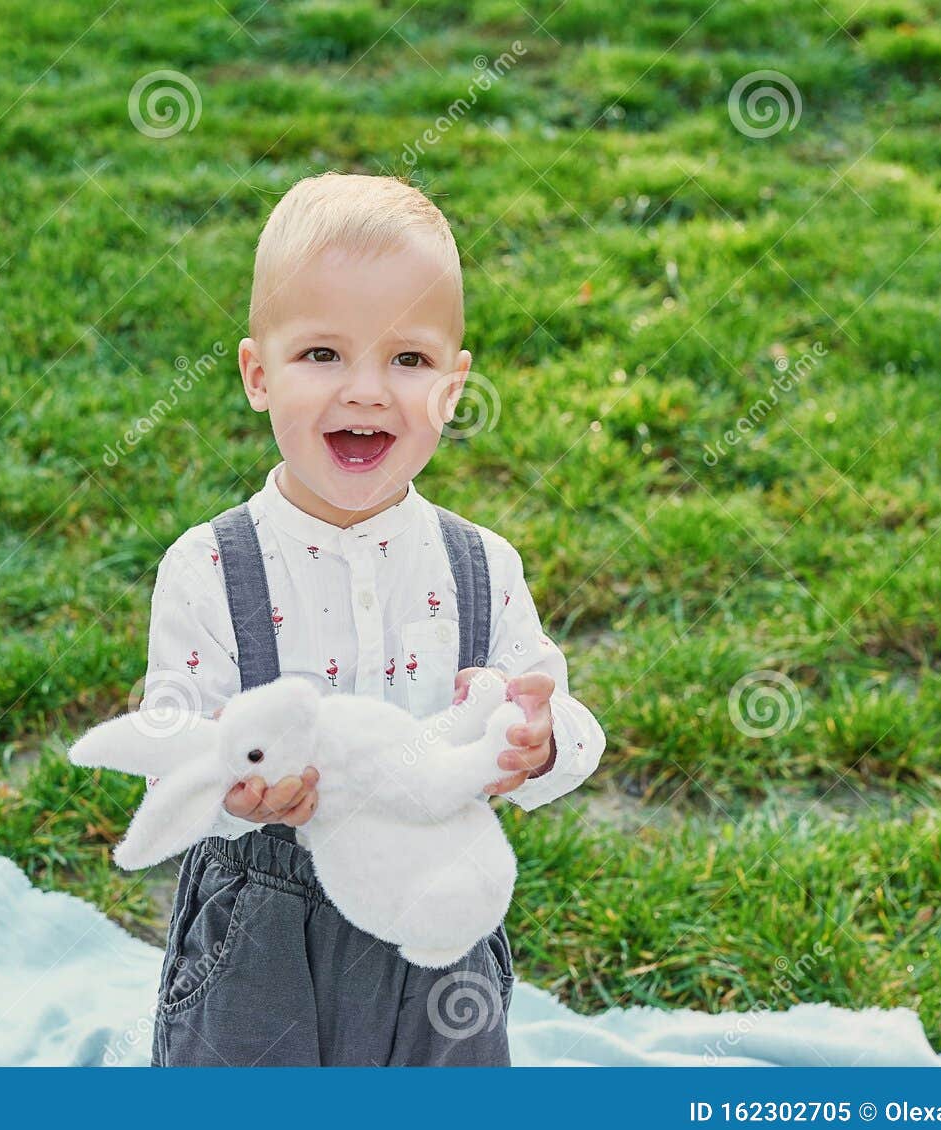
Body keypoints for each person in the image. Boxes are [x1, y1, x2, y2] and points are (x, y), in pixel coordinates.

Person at [140, 172, 605, 1066]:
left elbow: (562, 722)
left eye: (408, 359)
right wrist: (234, 793)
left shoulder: (481, 567)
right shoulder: (208, 568)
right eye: (322, 354)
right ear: (257, 373)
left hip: (436, 930)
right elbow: (175, 749)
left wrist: (537, 742)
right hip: (259, 933)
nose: (366, 391)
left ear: (454, 387)